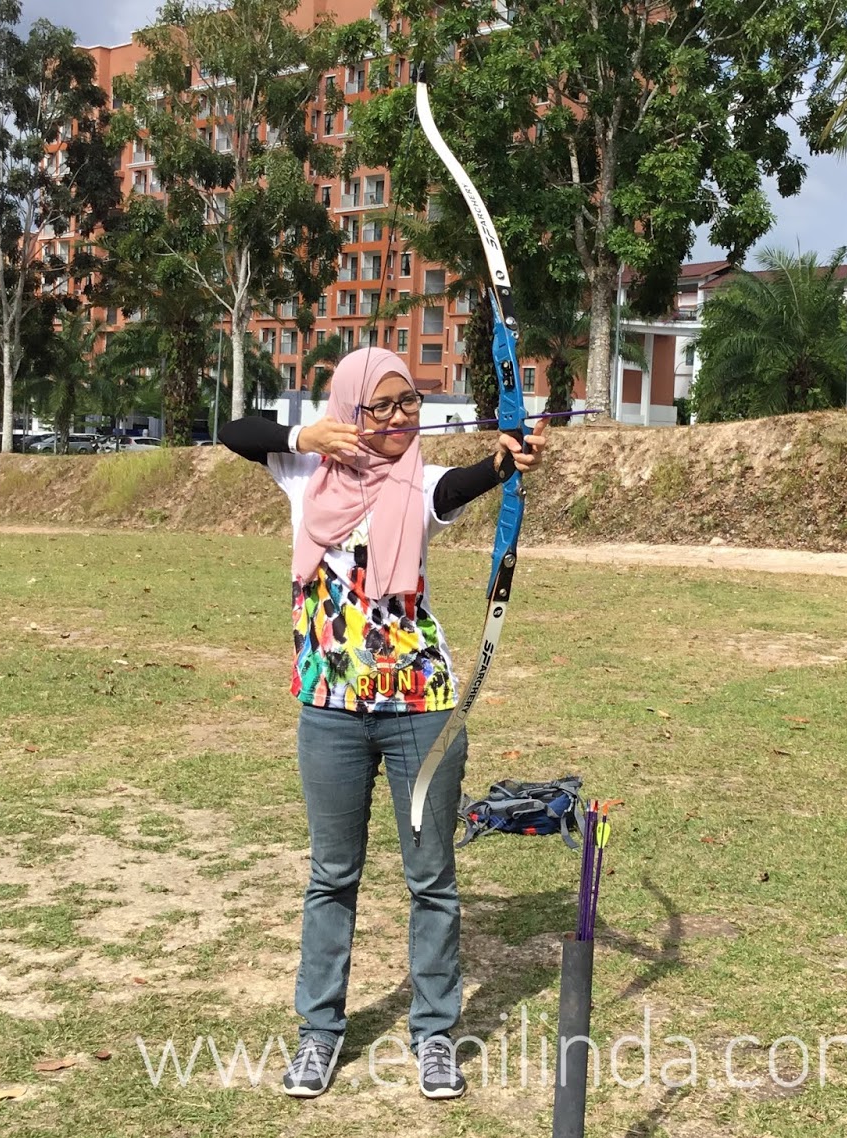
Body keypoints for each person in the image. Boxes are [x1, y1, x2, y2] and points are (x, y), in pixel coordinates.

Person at [218, 347, 547, 1100]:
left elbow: (463, 483)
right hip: (330, 711)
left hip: (422, 710)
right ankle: (319, 1036)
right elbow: (236, 430)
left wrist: (505, 463)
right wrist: (306, 436)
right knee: (332, 876)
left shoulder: (421, 481)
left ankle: (435, 1037)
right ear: (351, 408)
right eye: (384, 405)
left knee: (431, 878)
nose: (401, 419)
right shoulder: (304, 474)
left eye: (411, 404)